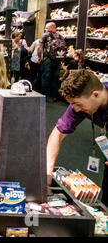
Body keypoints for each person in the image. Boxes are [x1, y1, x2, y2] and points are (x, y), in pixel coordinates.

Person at [46, 70, 108, 206]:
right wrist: (48, 172)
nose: (76, 109)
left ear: (95, 95)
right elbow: (57, 133)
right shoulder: (80, 104)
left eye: (78, 104)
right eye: (73, 104)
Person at [38, 22, 64, 101]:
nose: (45, 29)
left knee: (46, 77)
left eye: (46, 28)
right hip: (58, 59)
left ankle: (44, 96)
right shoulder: (60, 36)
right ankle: (55, 96)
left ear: (51, 27)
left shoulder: (45, 35)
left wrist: (39, 57)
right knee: (55, 78)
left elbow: (40, 48)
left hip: (47, 59)